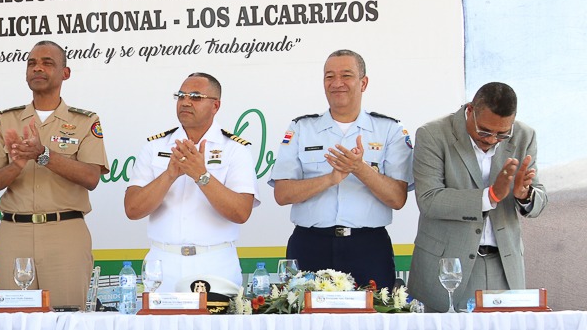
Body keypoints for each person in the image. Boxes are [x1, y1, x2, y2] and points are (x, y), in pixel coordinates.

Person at [0, 40, 109, 309]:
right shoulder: (6, 120)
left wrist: (44, 155)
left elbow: (91, 177)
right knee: (12, 322)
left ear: (65, 73)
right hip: (14, 232)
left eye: (47, 63)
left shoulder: (86, 121)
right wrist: (15, 165)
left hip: (65, 232)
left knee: (67, 321)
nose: (37, 68)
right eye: (31, 63)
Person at [269, 49, 413, 289]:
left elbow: (398, 199)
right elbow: (282, 194)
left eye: (346, 75)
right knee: (306, 324)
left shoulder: (389, 130)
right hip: (310, 245)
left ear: (363, 82)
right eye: (329, 76)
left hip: (368, 247)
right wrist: (330, 178)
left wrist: (359, 169)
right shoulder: (301, 128)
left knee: (372, 323)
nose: (337, 83)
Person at [408, 82, 547, 312]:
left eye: (502, 134)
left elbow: (540, 197)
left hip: (504, 266)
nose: (492, 139)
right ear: (470, 110)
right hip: (449, 268)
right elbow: (429, 200)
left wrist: (525, 196)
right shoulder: (433, 134)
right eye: (484, 131)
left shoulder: (525, 136)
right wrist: (490, 195)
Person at [124, 73, 258, 291]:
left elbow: (241, 212)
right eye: (181, 96)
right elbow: (132, 209)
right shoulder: (154, 146)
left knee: (217, 326)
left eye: (195, 96)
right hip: (162, 265)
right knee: (159, 326)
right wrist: (169, 175)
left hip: (215, 262)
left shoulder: (235, 149)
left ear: (216, 106)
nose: (185, 102)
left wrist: (201, 175)